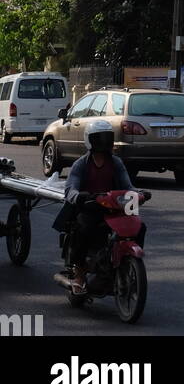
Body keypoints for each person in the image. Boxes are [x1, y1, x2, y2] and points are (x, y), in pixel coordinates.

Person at [52, 118, 138, 293]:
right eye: (99, 138)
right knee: (83, 228)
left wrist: (139, 194)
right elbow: (71, 189)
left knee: (139, 226)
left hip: (114, 209)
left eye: (107, 138)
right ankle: (80, 274)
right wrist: (79, 196)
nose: (104, 143)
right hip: (90, 208)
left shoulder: (116, 163)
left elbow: (128, 186)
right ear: (89, 140)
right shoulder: (81, 164)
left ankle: (125, 259)